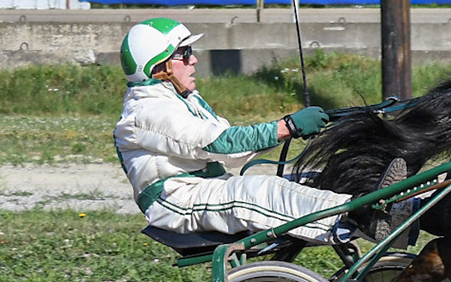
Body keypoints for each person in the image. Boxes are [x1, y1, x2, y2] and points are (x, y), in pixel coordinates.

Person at [114, 17, 407, 244]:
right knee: (261, 191)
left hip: (206, 187)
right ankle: (361, 211)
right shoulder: (146, 111)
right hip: (176, 202)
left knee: (314, 180)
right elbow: (218, 143)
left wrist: (288, 130)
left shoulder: (185, 99)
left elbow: (233, 154)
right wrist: (286, 127)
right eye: (184, 53)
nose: (194, 60)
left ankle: (416, 209)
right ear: (158, 65)